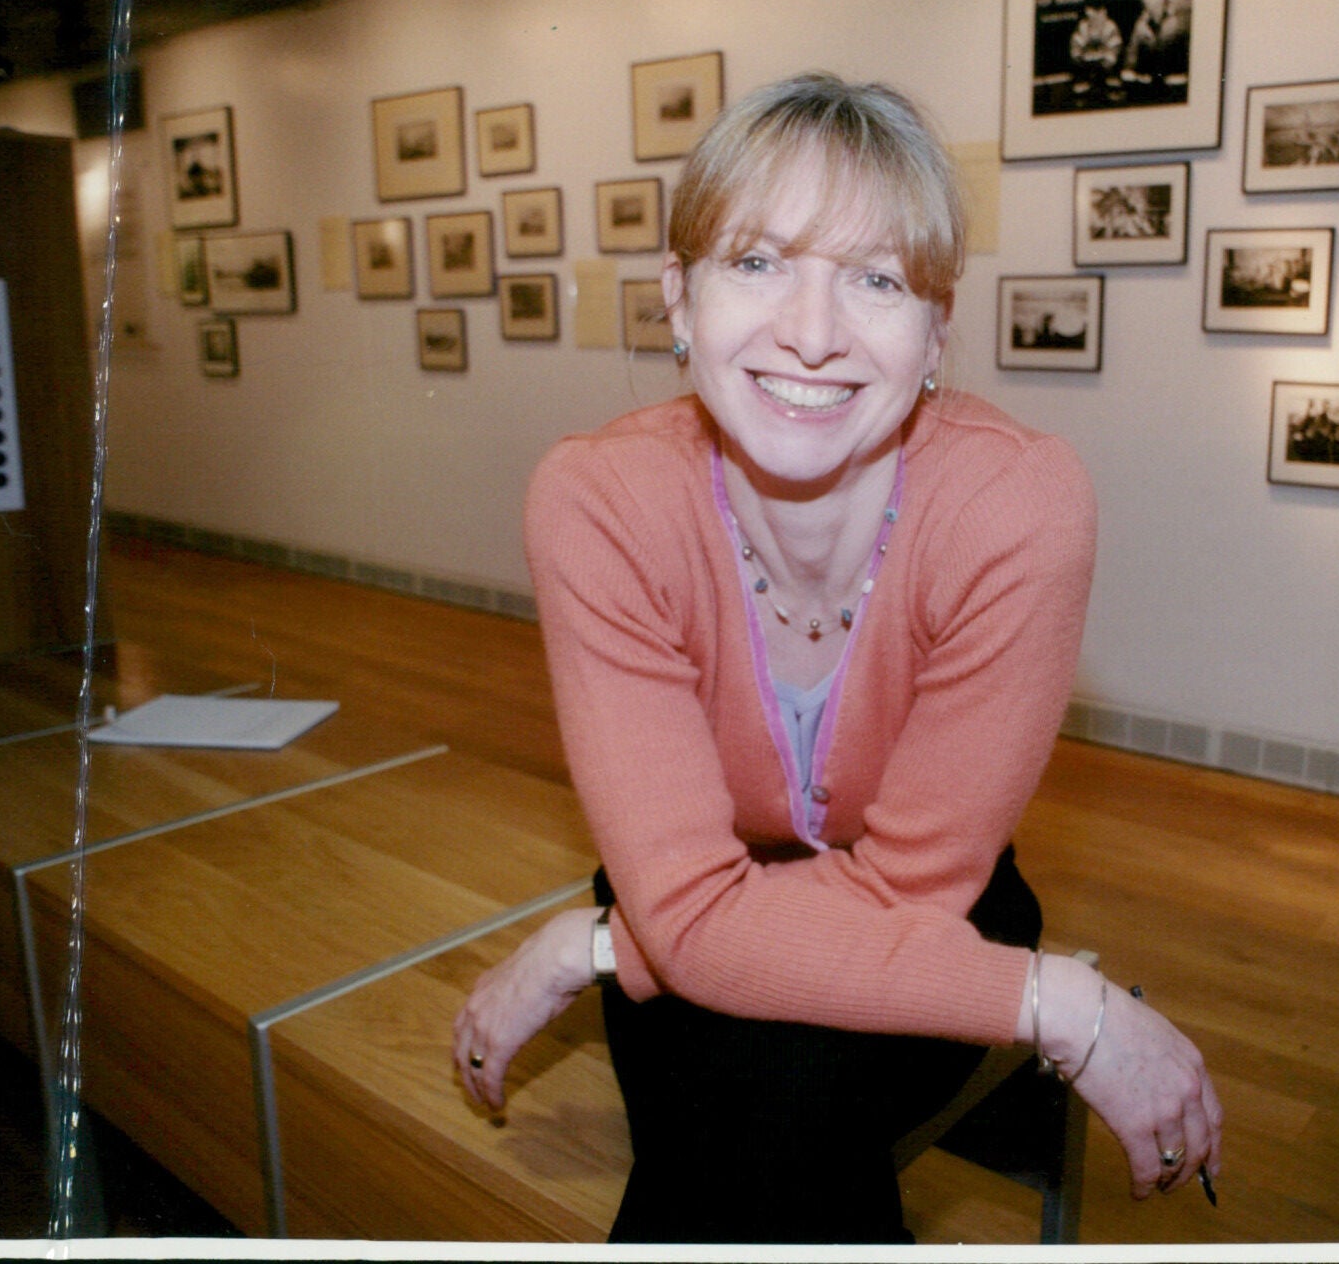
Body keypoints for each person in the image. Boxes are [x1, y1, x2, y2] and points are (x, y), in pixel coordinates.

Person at [451, 72, 1222, 1244]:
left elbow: (904, 896)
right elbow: (697, 902)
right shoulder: (599, 499)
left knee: (757, 1125)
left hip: (922, 901)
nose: (810, 333)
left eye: (874, 280)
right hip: (687, 899)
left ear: (933, 336)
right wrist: (1057, 1001)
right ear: (677, 300)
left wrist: (596, 946)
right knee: (768, 1131)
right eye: (755, 262)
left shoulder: (1018, 501)